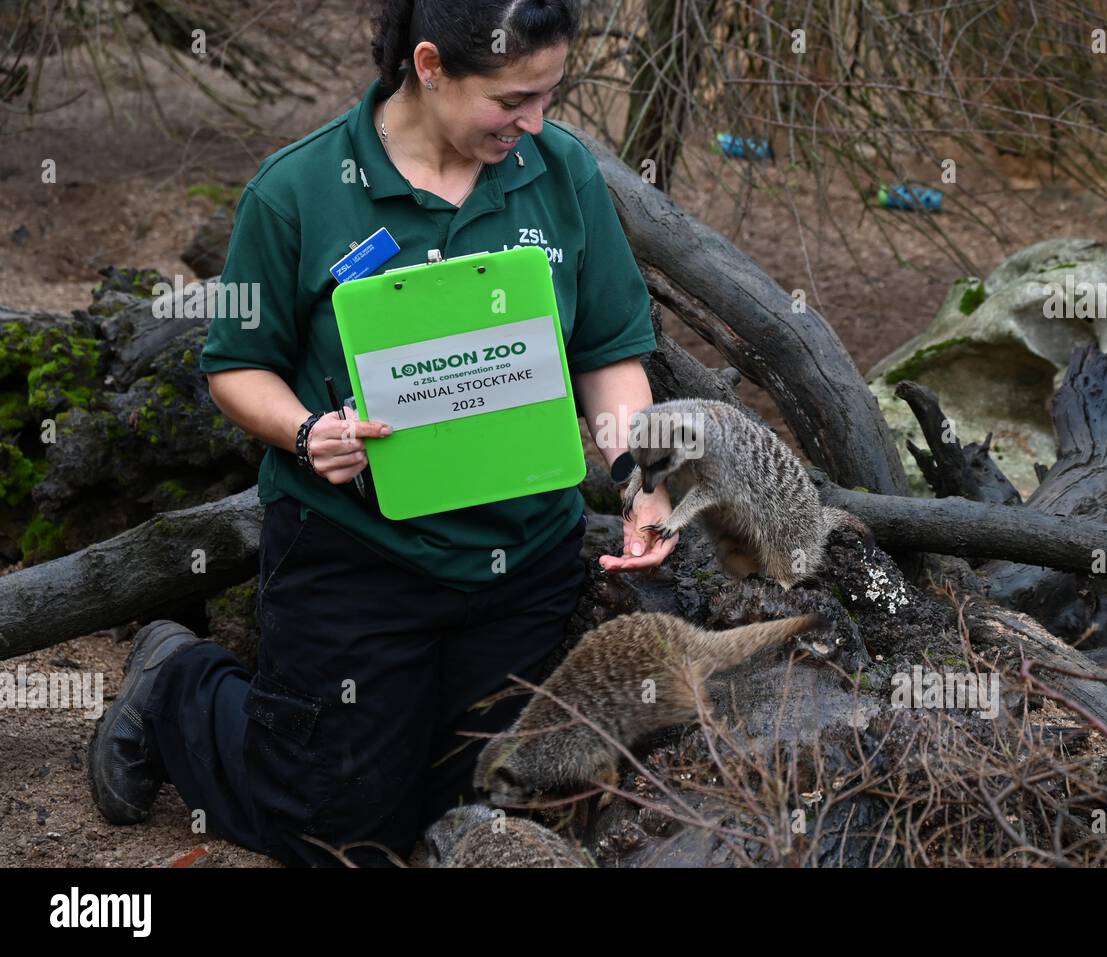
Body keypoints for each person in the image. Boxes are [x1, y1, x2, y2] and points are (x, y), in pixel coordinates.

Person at [87, 0, 679, 867]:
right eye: (513, 100)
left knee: (465, 818)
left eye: (551, 96)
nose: (535, 123)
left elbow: (609, 350)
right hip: (355, 560)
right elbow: (235, 366)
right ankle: (180, 683)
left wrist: (641, 474)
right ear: (431, 66)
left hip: (520, 563)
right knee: (344, 841)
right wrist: (303, 430)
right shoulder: (298, 190)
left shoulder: (561, 175)